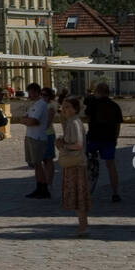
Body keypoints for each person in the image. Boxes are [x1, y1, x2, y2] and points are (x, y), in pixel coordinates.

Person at [84, 82, 124, 202]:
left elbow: (86, 116)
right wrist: (116, 138)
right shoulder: (115, 106)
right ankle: (115, 192)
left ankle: (85, 189)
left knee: (85, 162)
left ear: (98, 92)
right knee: (110, 165)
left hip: (94, 137)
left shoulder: (93, 103)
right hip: (109, 138)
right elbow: (118, 125)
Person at [57, 96, 90, 237]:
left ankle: (83, 226)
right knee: (76, 196)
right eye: (64, 107)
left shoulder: (74, 123)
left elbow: (78, 145)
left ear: (75, 109)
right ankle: (82, 225)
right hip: (73, 162)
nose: (65, 109)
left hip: (76, 163)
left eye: (68, 107)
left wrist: (63, 145)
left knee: (79, 195)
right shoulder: (70, 122)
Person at [23, 83, 54, 199]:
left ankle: (44, 188)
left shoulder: (41, 105)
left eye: (30, 92)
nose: (29, 95)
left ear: (36, 92)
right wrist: (27, 120)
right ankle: (38, 187)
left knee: (39, 163)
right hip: (30, 136)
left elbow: (33, 121)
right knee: (35, 164)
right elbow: (24, 118)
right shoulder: (33, 105)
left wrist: (27, 121)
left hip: (38, 137)